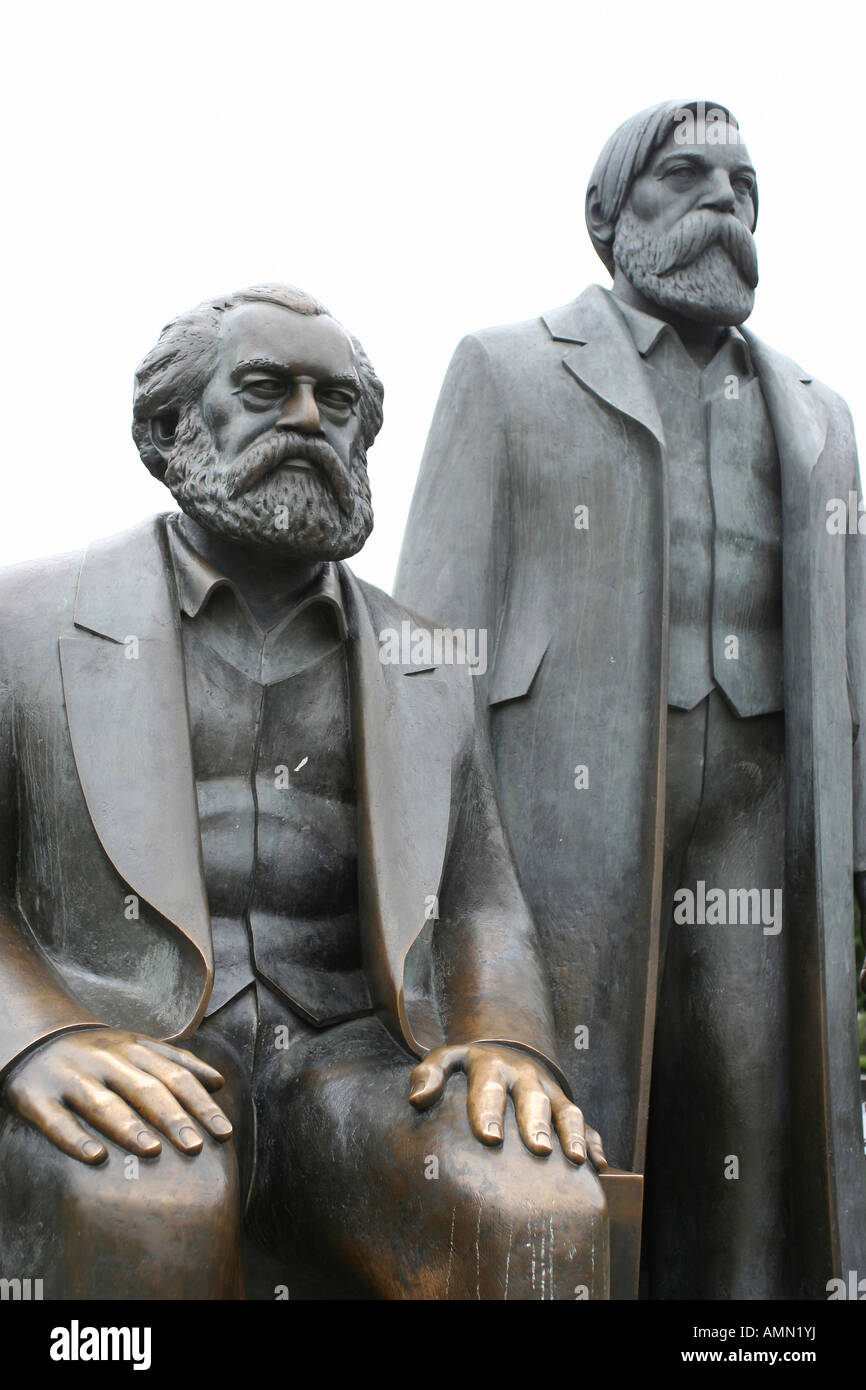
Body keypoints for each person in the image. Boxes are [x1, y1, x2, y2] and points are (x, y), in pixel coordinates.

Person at [0, 283, 609, 1300]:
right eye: (266, 388)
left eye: (337, 402)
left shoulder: (428, 665)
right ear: (166, 427)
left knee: (535, 1204)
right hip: (128, 1039)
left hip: (358, 1065)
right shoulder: (24, 627)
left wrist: (507, 1044)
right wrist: (36, 1036)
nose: (306, 421)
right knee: (142, 1197)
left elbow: (477, 901)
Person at [395, 100, 866, 1299]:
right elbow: (422, 645)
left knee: (752, 1112)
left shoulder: (819, 417)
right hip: (555, 814)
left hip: (757, 823)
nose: (724, 201)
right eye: (686, 175)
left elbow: (849, 659)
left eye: (742, 184)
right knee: (564, 1110)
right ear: (608, 215)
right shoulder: (505, 371)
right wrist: (420, 861)